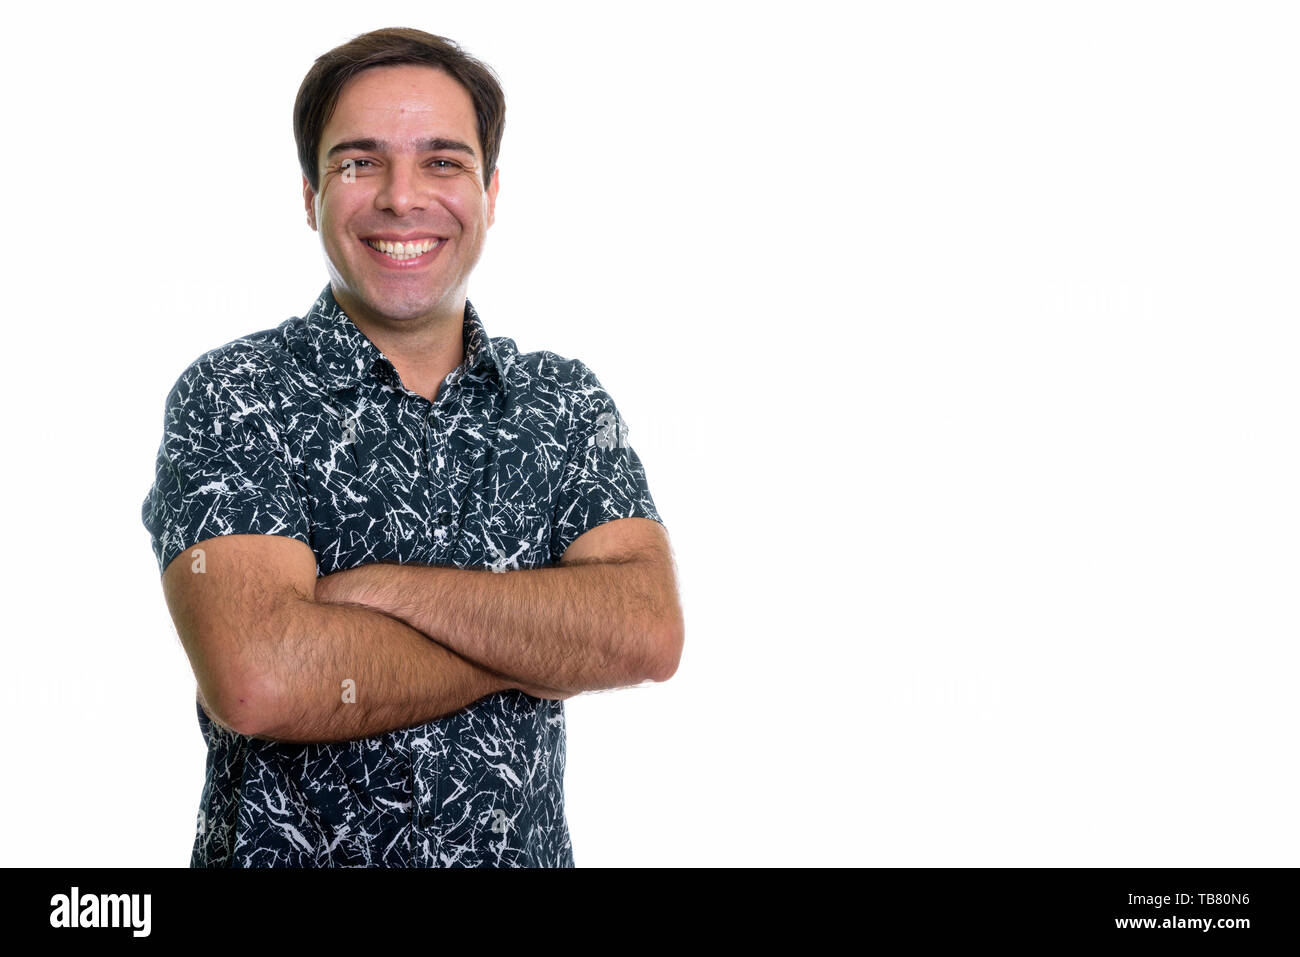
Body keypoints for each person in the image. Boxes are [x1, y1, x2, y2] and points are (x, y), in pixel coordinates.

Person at [141, 27, 683, 868]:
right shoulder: (235, 396)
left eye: (443, 161)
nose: (402, 197)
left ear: (491, 191)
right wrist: (541, 646)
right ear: (311, 194)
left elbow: (645, 631)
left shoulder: (564, 405)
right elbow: (258, 679)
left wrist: (371, 593)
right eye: (359, 161)